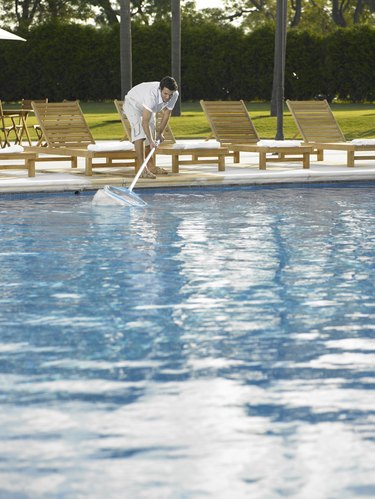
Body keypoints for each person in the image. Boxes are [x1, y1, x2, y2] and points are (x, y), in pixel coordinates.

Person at [123, 76, 179, 178]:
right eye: (165, 94)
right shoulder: (151, 95)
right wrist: (151, 140)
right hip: (133, 104)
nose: (167, 97)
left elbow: (167, 113)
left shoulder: (174, 95)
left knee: (151, 133)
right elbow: (144, 121)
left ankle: (151, 167)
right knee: (140, 134)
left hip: (148, 108)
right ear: (160, 89)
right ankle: (142, 169)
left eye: (170, 95)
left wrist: (159, 133)